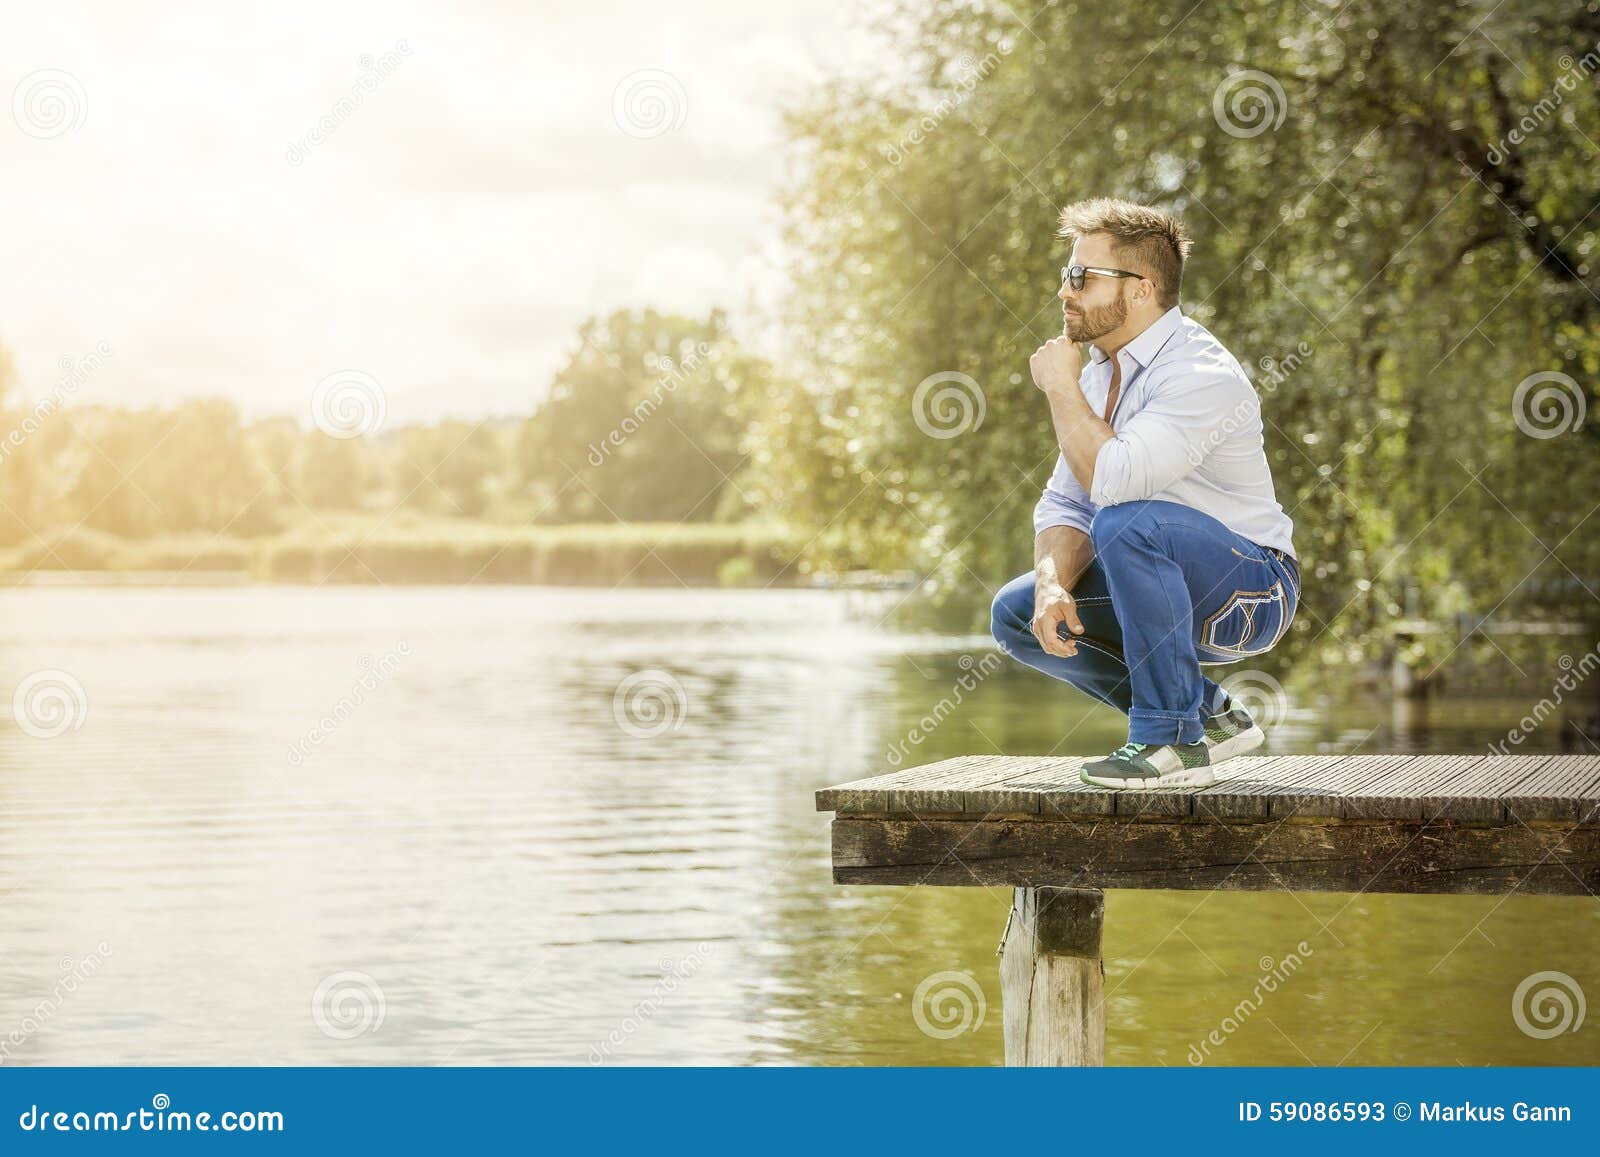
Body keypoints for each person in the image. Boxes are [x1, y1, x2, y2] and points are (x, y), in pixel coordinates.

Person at [989, 198, 1300, 790]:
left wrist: (1059, 390)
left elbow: (1115, 484)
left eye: (1083, 277)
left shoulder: (1197, 372)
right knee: (1014, 611)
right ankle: (1210, 716)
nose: (1066, 292)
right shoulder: (1099, 373)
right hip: (1162, 574)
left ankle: (1169, 739)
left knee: (1127, 522)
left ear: (1141, 289)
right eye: (1065, 275)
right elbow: (1067, 503)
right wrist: (1053, 585)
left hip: (1252, 591)